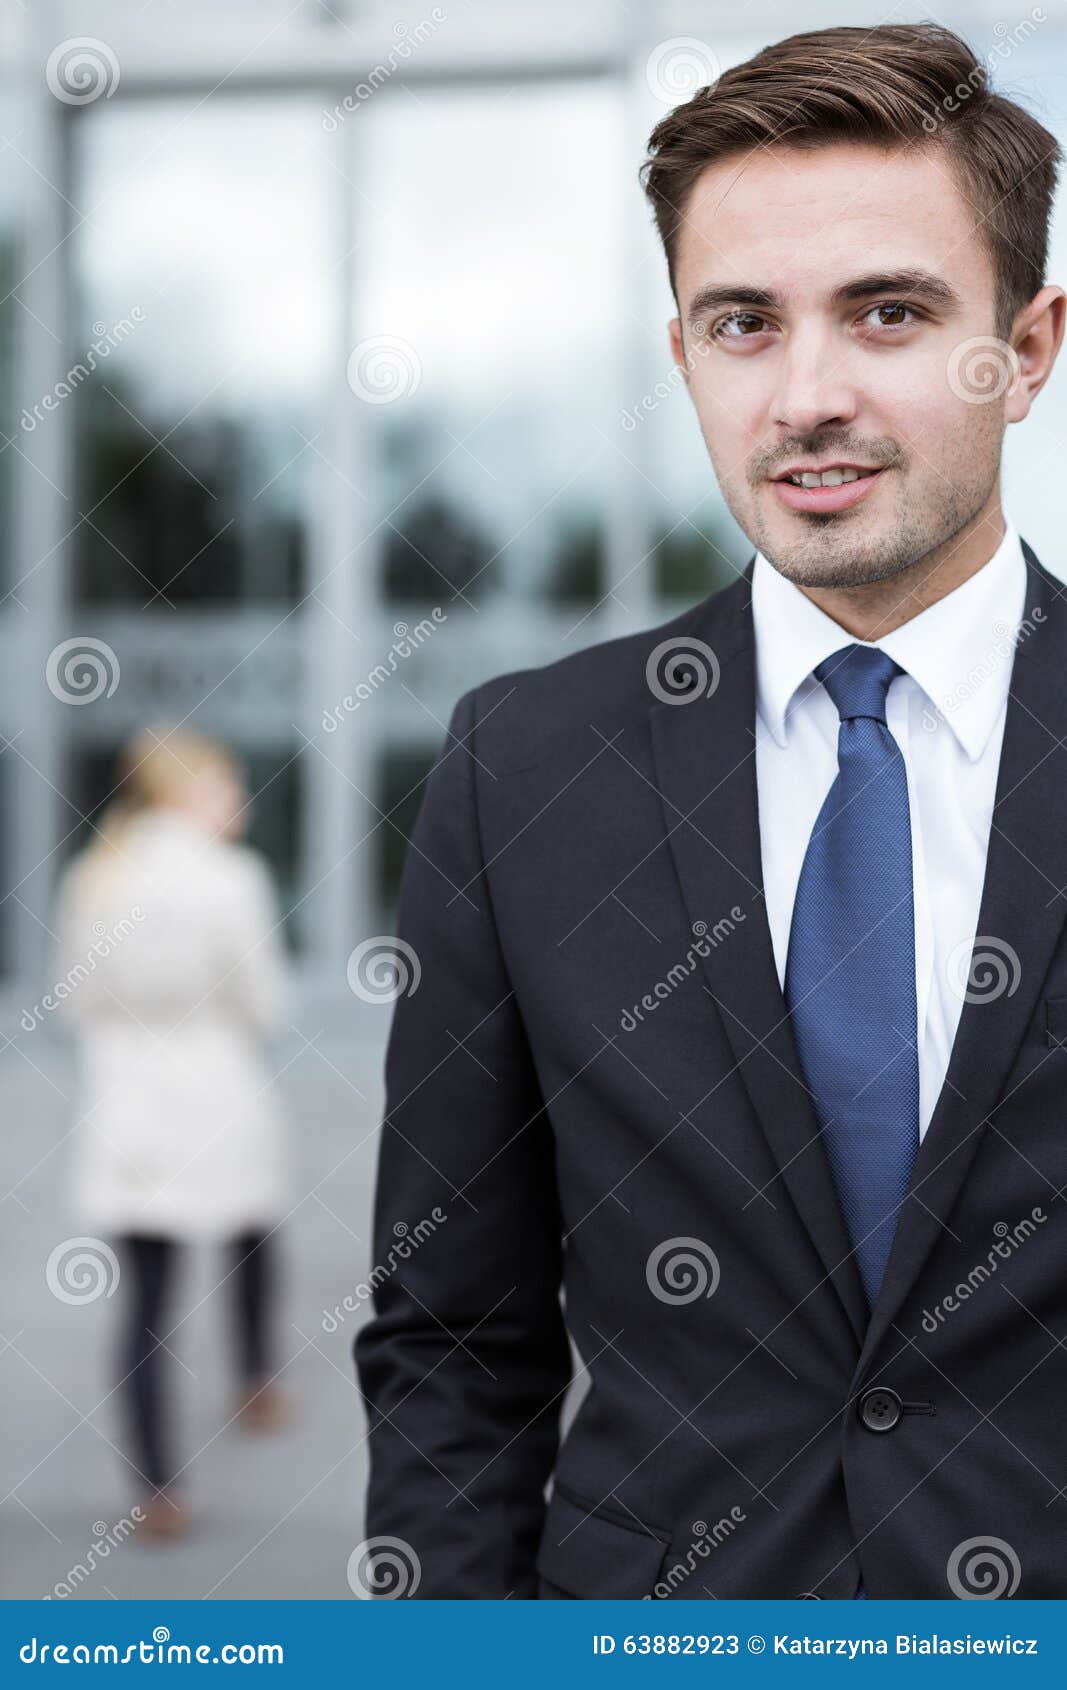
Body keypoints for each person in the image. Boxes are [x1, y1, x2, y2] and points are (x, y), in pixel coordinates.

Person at [354, 23, 1067, 1597]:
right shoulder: (522, 769)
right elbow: (452, 1340)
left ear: (1023, 349)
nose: (804, 396)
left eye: (885, 312)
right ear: (681, 355)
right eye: (743, 323)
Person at [55, 727, 292, 1538]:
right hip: (218, 1088)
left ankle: (156, 1486)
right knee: (251, 1232)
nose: (240, 802)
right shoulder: (234, 878)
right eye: (227, 787)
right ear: (184, 793)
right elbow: (265, 1000)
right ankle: (257, 1380)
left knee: (147, 1298)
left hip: (128, 1100)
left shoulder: (96, 875)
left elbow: (75, 997)